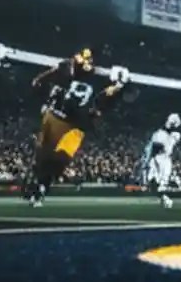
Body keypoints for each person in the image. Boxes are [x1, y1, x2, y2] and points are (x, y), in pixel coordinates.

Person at [26, 49, 130, 207]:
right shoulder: (67, 71)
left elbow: (106, 95)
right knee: (42, 159)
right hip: (57, 117)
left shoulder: (95, 77)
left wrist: (119, 86)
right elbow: (45, 83)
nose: (85, 63)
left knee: (59, 161)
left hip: (75, 125)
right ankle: (37, 187)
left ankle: (41, 188)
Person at [142, 113, 181, 208]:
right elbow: (155, 147)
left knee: (161, 183)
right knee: (152, 181)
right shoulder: (160, 134)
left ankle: (165, 198)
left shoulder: (173, 135)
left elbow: (159, 147)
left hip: (164, 158)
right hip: (158, 158)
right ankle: (165, 197)